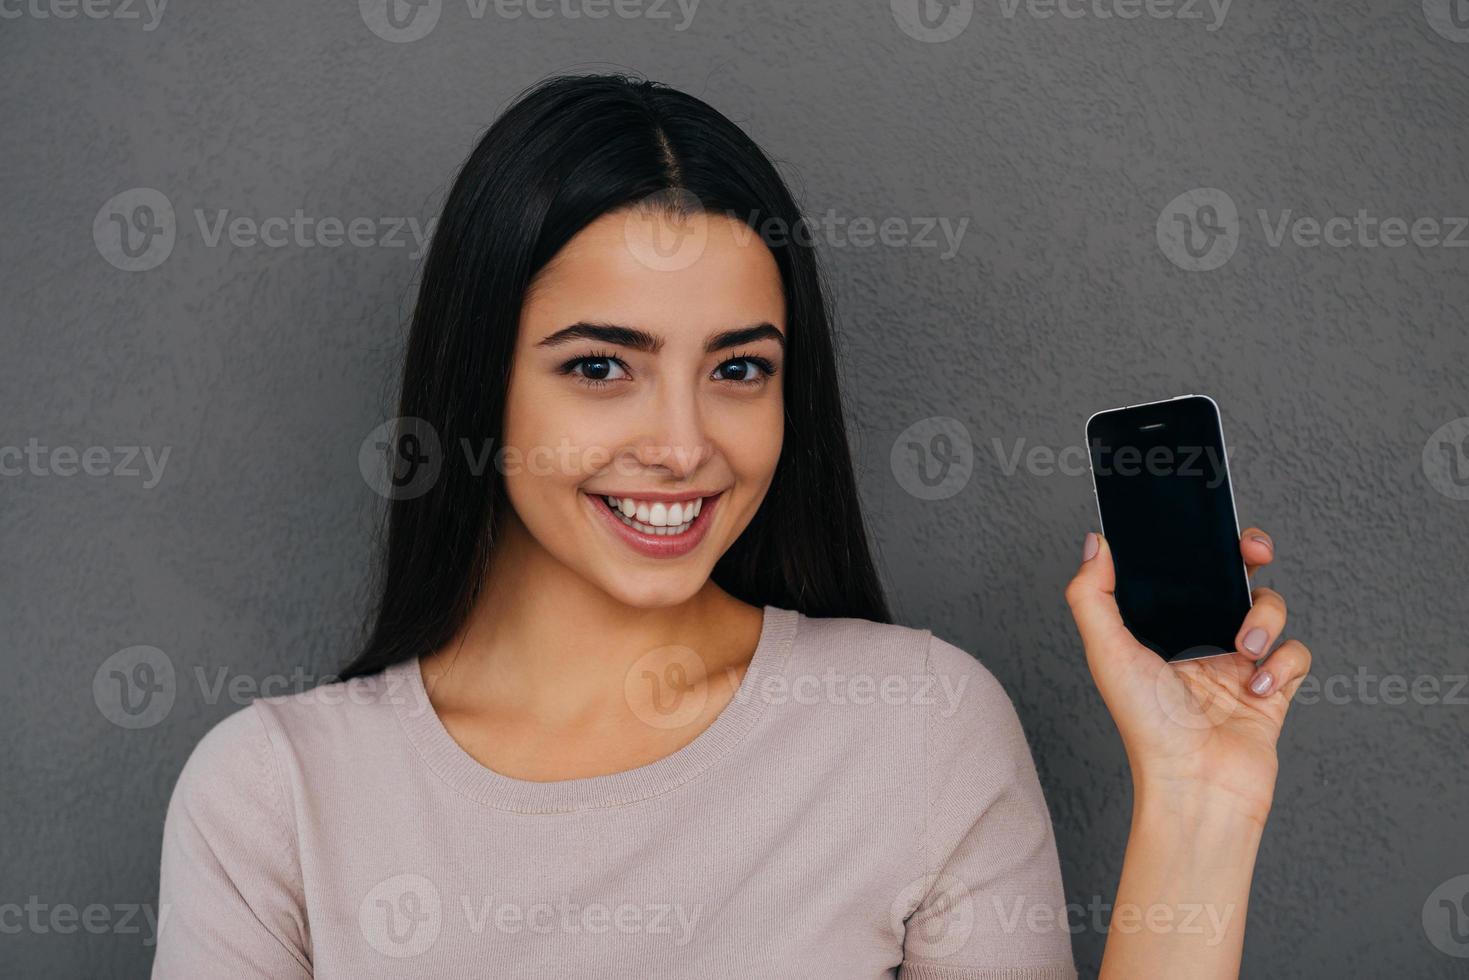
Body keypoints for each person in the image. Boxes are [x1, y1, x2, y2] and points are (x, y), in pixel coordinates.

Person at [151, 74, 1310, 979]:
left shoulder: (914, 727)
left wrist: (1198, 800)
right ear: (479, 381)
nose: (681, 440)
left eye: (739, 367)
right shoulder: (272, 795)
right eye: (600, 364)